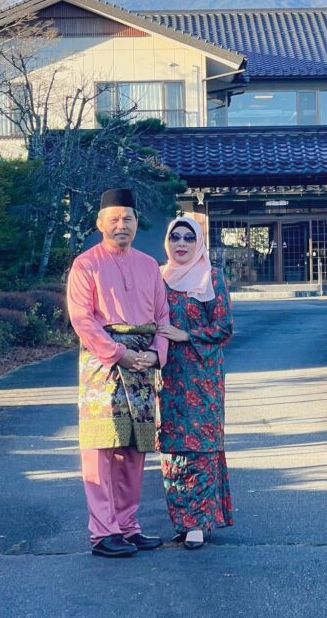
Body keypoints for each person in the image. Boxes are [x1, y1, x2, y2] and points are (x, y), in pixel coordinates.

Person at [67, 188, 170, 559]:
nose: (121, 224)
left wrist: (157, 355)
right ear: (100, 223)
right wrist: (119, 354)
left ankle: (128, 526)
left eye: (127, 218)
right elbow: (83, 319)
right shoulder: (85, 264)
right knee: (101, 445)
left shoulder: (148, 265)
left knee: (134, 448)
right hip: (103, 364)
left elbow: (162, 317)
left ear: (136, 223)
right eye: (114, 218)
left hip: (143, 363)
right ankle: (103, 531)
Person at [156, 215, 234, 550]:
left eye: (189, 237)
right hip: (169, 373)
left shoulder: (212, 276)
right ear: (168, 241)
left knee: (201, 446)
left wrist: (186, 334)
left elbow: (224, 327)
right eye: (176, 237)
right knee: (173, 447)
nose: (182, 244)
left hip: (203, 377)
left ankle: (199, 522)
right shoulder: (158, 278)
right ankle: (183, 520)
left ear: (199, 241)